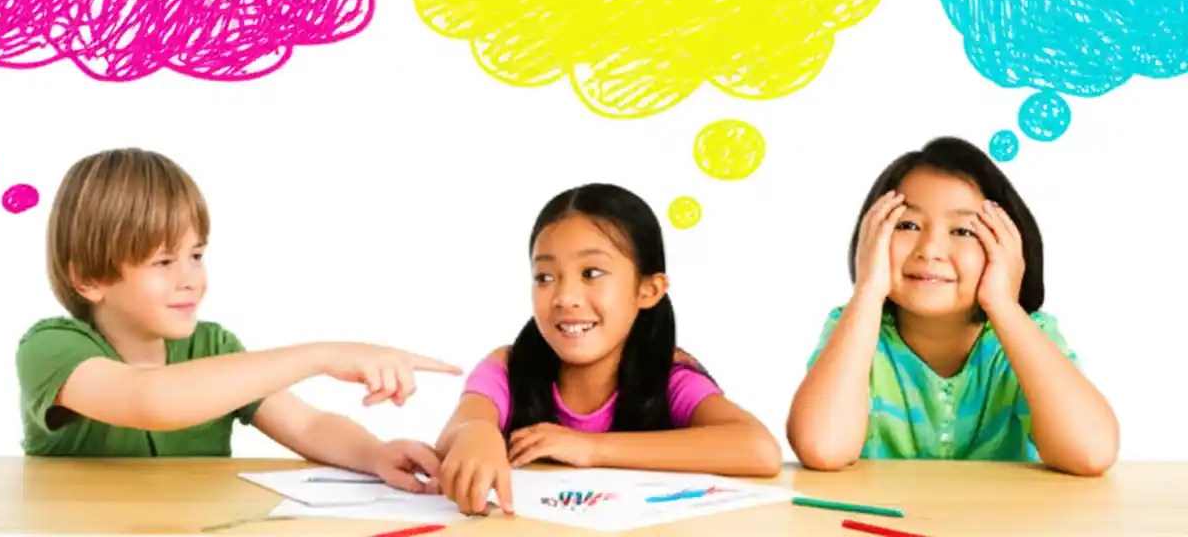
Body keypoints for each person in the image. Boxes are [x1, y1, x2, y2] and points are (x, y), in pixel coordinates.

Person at [15, 148, 462, 493]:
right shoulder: (51, 347)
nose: (190, 279)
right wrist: (324, 355)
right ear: (89, 278)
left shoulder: (215, 348)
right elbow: (147, 399)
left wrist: (376, 453)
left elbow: (306, 425)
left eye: (196, 255)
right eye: (164, 261)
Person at [434, 183, 781, 515]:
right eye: (545, 277)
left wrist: (589, 448)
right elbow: (461, 427)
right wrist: (476, 432)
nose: (565, 297)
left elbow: (759, 450)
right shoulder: (507, 367)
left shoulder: (670, 375)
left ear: (648, 289)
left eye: (591, 272)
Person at [787, 136, 1119, 476]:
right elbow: (822, 448)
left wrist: (1003, 303)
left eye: (962, 230)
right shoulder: (855, 331)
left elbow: (1091, 453)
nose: (930, 249)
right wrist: (868, 289)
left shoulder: (1029, 337)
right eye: (907, 225)